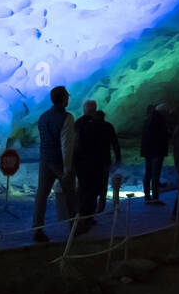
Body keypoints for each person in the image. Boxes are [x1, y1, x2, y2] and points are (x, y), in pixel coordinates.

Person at [32, 86, 75, 243]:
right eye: (67, 97)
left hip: (45, 160)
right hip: (59, 162)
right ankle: (74, 227)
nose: (68, 99)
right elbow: (66, 145)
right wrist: (67, 168)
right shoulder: (67, 118)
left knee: (41, 196)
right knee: (70, 196)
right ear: (63, 99)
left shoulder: (43, 117)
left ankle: (37, 230)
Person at [72, 100, 108, 233]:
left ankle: (82, 217)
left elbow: (74, 143)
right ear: (94, 109)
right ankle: (85, 217)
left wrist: (74, 161)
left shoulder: (78, 123)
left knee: (83, 189)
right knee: (92, 191)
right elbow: (102, 145)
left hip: (81, 163)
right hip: (94, 163)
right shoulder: (98, 124)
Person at [140, 104, 170, 206]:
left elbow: (144, 136)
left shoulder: (147, 120)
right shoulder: (160, 120)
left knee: (148, 174)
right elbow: (163, 136)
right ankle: (155, 198)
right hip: (157, 151)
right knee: (155, 175)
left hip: (148, 151)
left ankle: (147, 197)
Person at [95, 110, 120, 213]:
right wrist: (118, 157)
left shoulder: (92, 126)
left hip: (93, 160)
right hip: (105, 159)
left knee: (94, 183)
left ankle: (93, 207)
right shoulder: (108, 126)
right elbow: (115, 143)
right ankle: (101, 207)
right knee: (103, 184)